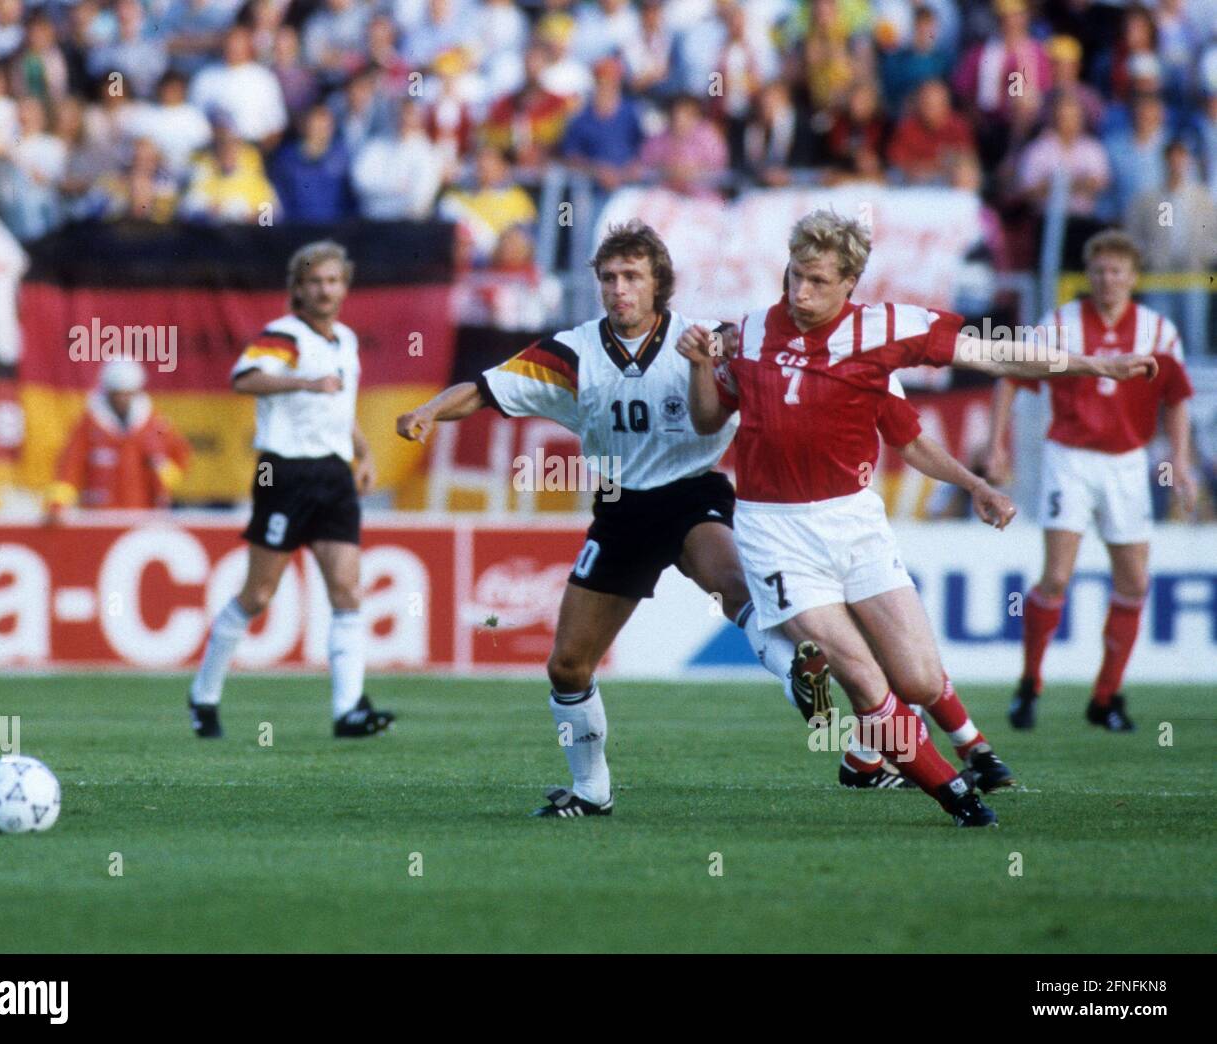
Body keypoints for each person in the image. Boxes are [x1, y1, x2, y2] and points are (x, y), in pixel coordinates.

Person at [394, 221, 1015, 814]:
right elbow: (483, 387)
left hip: (695, 494)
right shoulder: (571, 353)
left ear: (659, 283)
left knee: (742, 590)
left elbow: (822, 373)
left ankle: (823, 698)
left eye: (632, 276)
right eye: (609, 277)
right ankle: (590, 791)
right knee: (567, 665)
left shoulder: (714, 339)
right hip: (622, 509)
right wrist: (426, 410)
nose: (619, 289)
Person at [678, 209, 1158, 826]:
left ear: (851, 283)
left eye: (819, 282)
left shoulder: (885, 330)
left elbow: (995, 354)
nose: (801, 292)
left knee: (920, 677)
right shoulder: (745, 335)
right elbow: (707, 420)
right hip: (775, 532)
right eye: (795, 276)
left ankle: (864, 760)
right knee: (859, 674)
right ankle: (956, 797)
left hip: (854, 524)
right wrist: (698, 367)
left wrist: (1096, 366)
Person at [985, 230, 1195, 733]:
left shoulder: (1158, 331)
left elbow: (1177, 397)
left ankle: (1105, 698)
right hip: (1071, 459)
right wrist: (997, 445)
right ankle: (1030, 684)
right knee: (1057, 576)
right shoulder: (1059, 325)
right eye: (1099, 270)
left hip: (1127, 463)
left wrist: (1180, 462)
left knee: (1134, 580)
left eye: (1118, 270)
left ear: (1134, 276)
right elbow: (1010, 373)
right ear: (1089, 274)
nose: (1108, 279)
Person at [188, 241, 393, 741]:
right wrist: (301, 381)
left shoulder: (344, 339)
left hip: (333, 476)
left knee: (346, 588)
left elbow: (338, 408)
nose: (324, 290)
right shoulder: (285, 335)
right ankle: (204, 694)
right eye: (314, 282)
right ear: (298, 288)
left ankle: (349, 710)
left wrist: (362, 452)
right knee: (258, 595)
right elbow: (245, 378)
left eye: (333, 281)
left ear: (344, 286)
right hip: (284, 475)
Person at [47, 359, 190, 514]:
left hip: (144, 514)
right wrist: (58, 502)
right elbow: (70, 466)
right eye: (117, 394)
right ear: (107, 392)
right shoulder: (89, 426)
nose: (122, 400)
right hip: (100, 515)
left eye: (127, 394)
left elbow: (179, 458)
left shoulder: (156, 426)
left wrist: (161, 468)